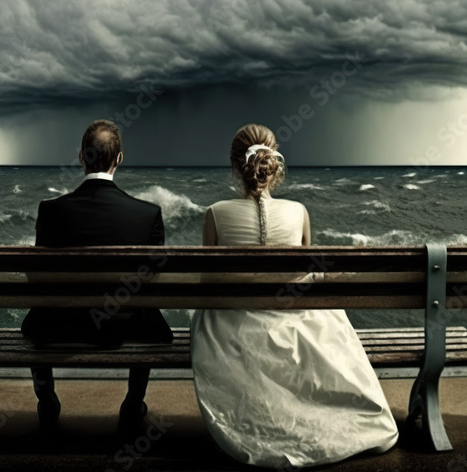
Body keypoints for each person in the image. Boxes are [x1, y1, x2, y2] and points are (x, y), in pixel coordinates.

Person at [190, 123, 399, 468]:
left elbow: (207, 282)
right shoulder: (299, 211)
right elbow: (305, 274)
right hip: (295, 316)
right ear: (273, 166)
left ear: (235, 165)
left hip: (234, 327)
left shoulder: (215, 213)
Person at [21, 119, 173, 430]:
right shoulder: (147, 215)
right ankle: (133, 403)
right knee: (149, 314)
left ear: (81, 157)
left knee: (36, 316)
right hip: (124, 328)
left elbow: (36, 276)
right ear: (119, 158)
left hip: (59, 325)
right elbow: (153, 279)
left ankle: (46, 398)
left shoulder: (50, 211)